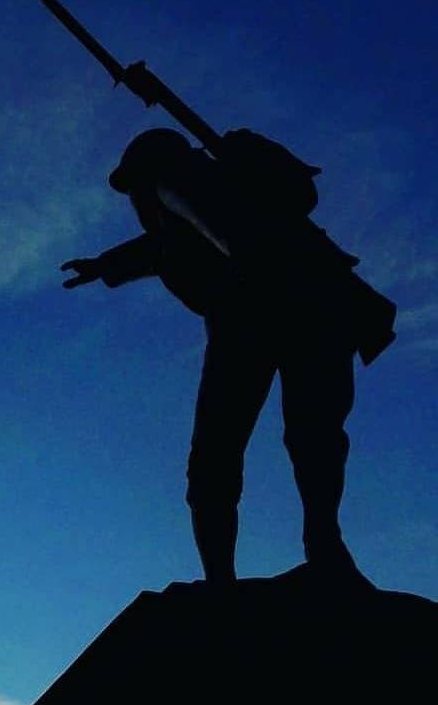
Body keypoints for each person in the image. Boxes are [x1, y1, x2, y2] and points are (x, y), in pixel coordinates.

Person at [62, 127, 392, 585]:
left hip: (272, 308)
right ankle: (292, 555)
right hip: (302, 307)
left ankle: (254, 570)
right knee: (295, 439)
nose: (136, 203)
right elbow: (159, 247)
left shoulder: (182, 185)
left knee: (249, 448)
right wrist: (102, 265)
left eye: (135, 189)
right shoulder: (183, 213)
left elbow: (229, 232)